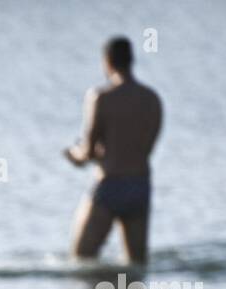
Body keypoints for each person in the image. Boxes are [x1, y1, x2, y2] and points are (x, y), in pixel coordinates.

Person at [64, 36, 163, 263]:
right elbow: (146, 148)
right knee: (136, 265)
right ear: (131, 60)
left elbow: (88, 152)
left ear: (107, 62)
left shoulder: (101, 97)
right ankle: (125, 287)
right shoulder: (152, 99)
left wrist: (73, 154)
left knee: (81, 259)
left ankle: (101, 286)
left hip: (109, 185)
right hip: (139, 186)